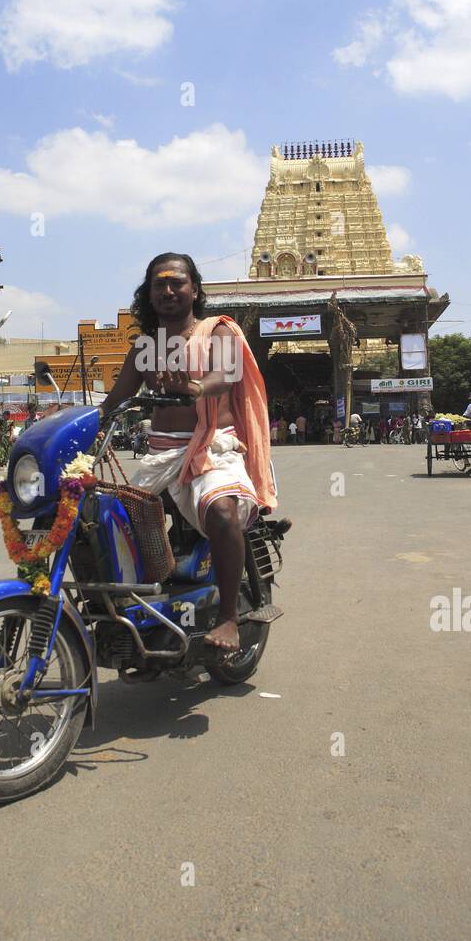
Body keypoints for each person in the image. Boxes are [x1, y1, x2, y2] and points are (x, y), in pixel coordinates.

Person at [101, 252, 275, 652]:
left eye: (176, 282)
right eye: (158, 284)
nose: (167, 290)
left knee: (221, 511)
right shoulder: (145, 347)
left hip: (212, 447)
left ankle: (229, 616)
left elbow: (226, 373)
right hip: (160, 455)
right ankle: (142, 601)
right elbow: (114, 401)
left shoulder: (218, 331)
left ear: (194, 290)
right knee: (104, 521)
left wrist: (196, 387)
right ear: (147, 294)